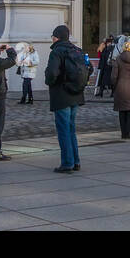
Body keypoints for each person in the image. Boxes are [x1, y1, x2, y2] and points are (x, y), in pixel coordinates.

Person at [45, 24, 86, 172]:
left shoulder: (57, 52)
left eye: (53, 37)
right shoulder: (77, 50)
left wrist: (48, 81)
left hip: (61, 95)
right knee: (71, 129)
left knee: (63, 130)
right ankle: (76, 161)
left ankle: (67, 163)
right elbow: (89, 68)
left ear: (56, 37)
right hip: (76, 94)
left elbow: (52, 73)